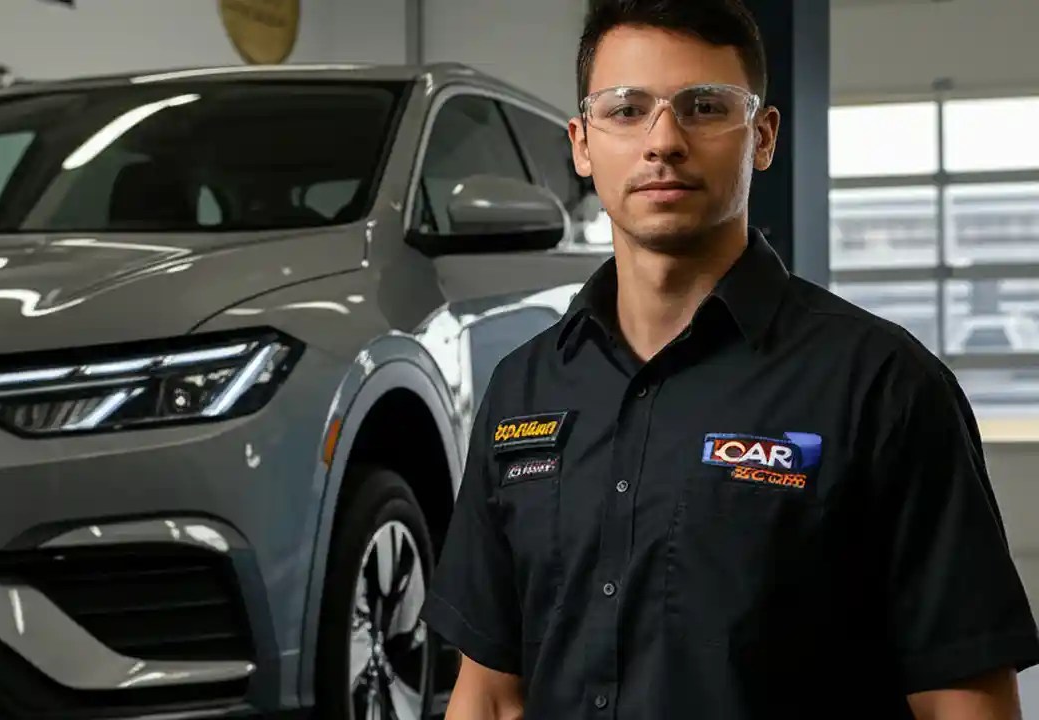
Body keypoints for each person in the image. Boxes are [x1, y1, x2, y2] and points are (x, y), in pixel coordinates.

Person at [419, 0, 1039, 718]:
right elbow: (491, 697)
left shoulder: (883, 387)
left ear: (763, 136)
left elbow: (961, 703)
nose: (664, 141)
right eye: (626, 109)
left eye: (705, 106)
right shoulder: (522, 388)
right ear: (582, 143)